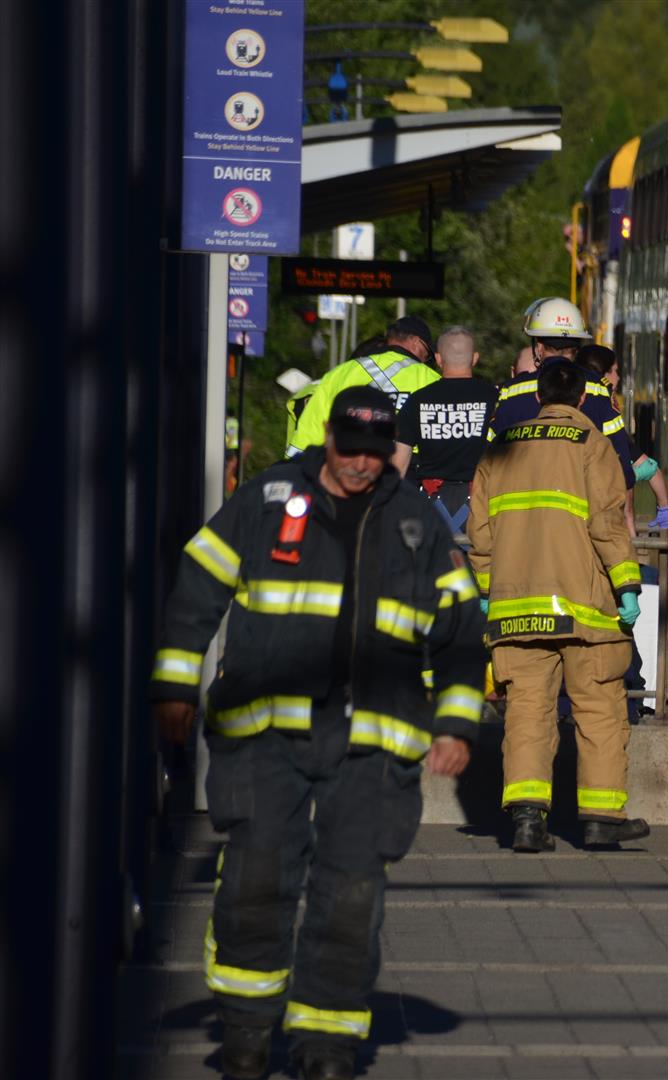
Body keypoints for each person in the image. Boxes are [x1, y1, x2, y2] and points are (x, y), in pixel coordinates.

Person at [151, 386, 484, 1080]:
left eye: (374, 453)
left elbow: (459, 636)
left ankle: (326, 1041)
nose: (362, 465)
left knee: (351, 891)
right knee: (256, 877)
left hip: (373, 741)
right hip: (265, 729)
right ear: (327, 439)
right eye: (350, 450)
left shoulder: (417, 523)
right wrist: (174, 684)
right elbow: (197, 586)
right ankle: (245, 1027)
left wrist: (457, 724)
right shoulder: (267, 500)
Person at [468, 362, 651, 853]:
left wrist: (489, 592)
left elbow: (480, 534)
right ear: (584, 397)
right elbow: (608, 524)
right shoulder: (590, 444)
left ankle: (528, 821)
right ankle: (600, 820)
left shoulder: (500, 446)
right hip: (584, 607)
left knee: (527, 712)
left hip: (514, 609)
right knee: (598, 708)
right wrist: (627, 585)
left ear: (538, 394)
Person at [395, 326, 498, 536]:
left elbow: (398, 465)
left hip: (431, 504)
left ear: (439, 359)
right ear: (475, 358)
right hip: (481, 505)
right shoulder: (493, 397)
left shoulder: (418, 400)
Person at [287, 318, 440, 455]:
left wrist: (293, 472)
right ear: (416, 342)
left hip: (346, 464)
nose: (425, 360)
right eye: (427, 355)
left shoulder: (340, 373)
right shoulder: (432, 380)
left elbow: (310, 433)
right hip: (406, 472)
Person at [575, 343, 668, 532]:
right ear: (603, 375)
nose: (618, 377)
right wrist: (663, 507)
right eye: (615, 371)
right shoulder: (604, 403)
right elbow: (634, 467)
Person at [485, 297, 589, 439]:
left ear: (539, 347)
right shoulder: (601, 391)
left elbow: (492, 449)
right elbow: (618, 451)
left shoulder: (511, 393)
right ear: (577, 346)